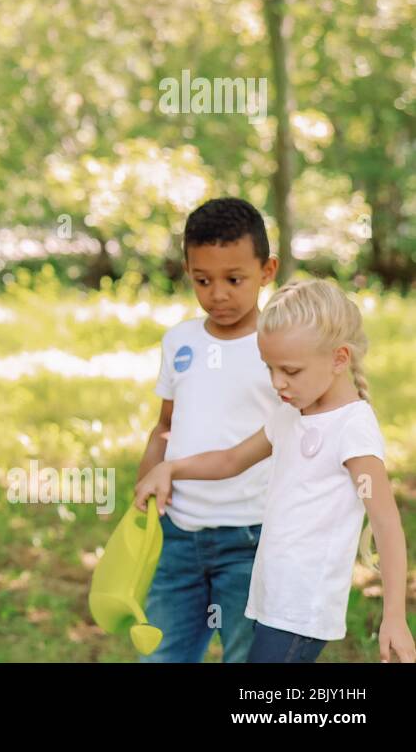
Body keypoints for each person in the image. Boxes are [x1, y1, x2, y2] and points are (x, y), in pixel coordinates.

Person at [136, 278, 414, 663]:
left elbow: (386, 524)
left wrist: (394, 618)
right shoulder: (289, 415)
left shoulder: (351, 429)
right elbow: (231, 460)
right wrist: (171, 467)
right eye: (270, 368)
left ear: (339, 359)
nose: (277, 383)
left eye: (291, 371)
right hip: (270, 596)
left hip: (302, 610)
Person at [134, 198, 280, 662]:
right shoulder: (180, 341)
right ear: (188, 271)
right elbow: (165, 426)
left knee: (246, 655)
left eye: (234, 279)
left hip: (251, 536)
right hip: (178, 533)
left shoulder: (280, 345)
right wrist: (146, 482)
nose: (218, 294)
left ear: (267, 269)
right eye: (203, 280)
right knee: (162, 653)